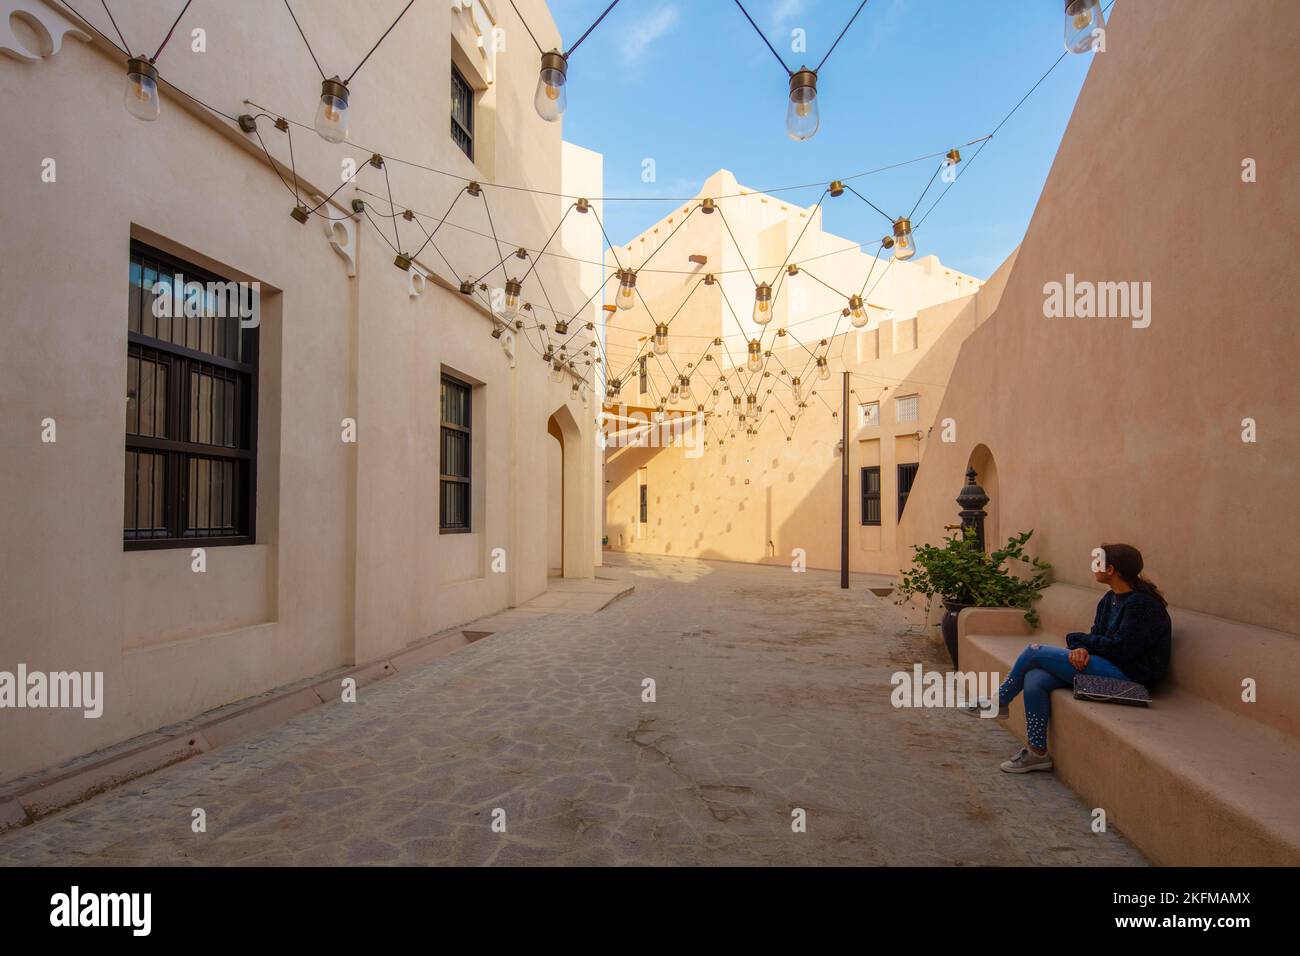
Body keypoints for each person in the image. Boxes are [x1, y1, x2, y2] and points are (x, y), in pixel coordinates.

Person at [962, 543, 1171, 773]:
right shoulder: (1109, 599)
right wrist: (1082, 647)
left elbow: (1122, 650)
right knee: (1035, 677)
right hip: (1106, 665)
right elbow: (1097, 637)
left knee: (1034, 652)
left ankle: (1000, 700)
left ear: (1111, 569)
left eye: (1097, 562)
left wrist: (1079, 640)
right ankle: (1037, 753)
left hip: (1131, 680)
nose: (1093, 567)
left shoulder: (1142, 605)